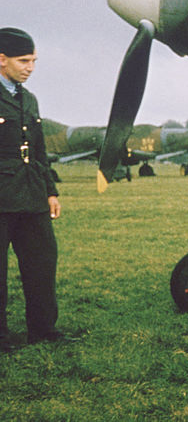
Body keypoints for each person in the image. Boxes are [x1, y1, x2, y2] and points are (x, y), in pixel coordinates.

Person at [0, 28, 63, 352]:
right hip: (2, 197)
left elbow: (38, 150)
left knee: (42, 262)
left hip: (32, 193)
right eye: (24, 61)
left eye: (34, 61)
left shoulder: (28, 98)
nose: (30, 67)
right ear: (1, 59)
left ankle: (43, 329)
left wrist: (51, 191)